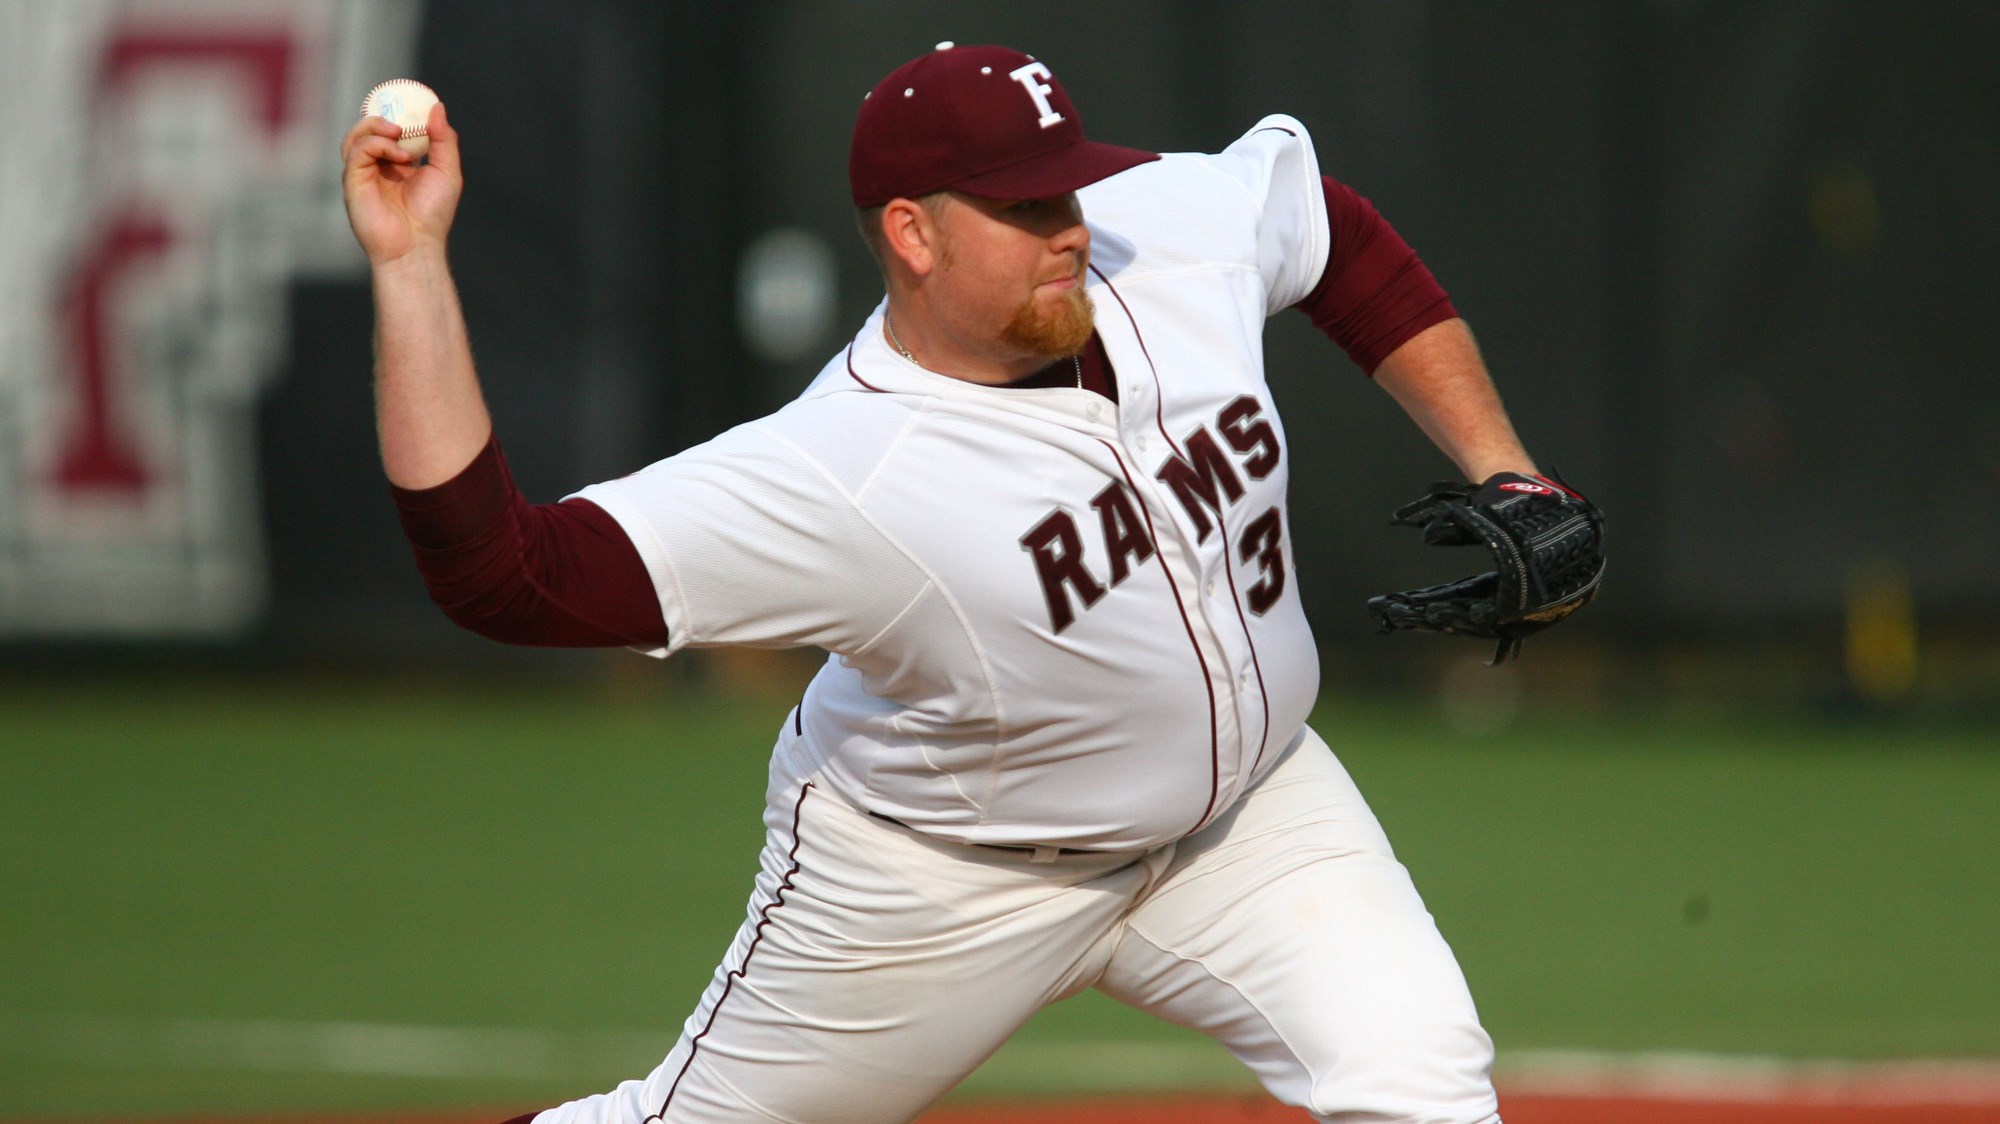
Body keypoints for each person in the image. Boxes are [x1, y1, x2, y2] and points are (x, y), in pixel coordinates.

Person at [340, 41, 1553, 1124]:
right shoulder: (843, 468)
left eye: (1065, 183)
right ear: (912, 234)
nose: (1070, 223)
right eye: (1022, 205)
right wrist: (410, 268)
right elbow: (505, 574)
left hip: (1250, 820)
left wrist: (1509, 472)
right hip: (941, 880)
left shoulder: (1161, 231)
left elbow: (1322, 225)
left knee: (1419, 1077)